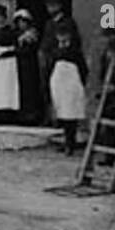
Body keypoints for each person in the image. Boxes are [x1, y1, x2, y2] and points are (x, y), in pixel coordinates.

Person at [38, 0, 81, 125]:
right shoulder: (49, 24)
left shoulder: (68, 22)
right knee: (47, 88)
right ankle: (50, 117)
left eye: (53, 6)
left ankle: (63, 119)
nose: (50, 9)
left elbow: (74, 43)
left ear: (59, 6)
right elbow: (45, 42)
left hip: (62, 60)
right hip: (49, 60)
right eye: (49, 6)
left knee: (63, 91)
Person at [47, 20, 88, 155]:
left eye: (64, 35)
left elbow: (83, 68)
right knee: (62, 113)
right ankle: (66, 141)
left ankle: (71, 142)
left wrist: (79, 82)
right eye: (60, 35)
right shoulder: (55, 50)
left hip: (71, 83)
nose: (62, 38)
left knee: (72, 113)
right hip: (59, 83)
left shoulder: (75, 50)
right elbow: (51, 65)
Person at [12, 8, 43, 125]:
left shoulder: (32, 34)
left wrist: (18, 50)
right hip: (19, 65)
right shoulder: (17, 35)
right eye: (19, 22)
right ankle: (22, 115)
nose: (21, 24)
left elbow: (30, 49)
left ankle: (33, 116)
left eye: (24, 21)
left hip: (30, 65)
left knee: (31, 89)